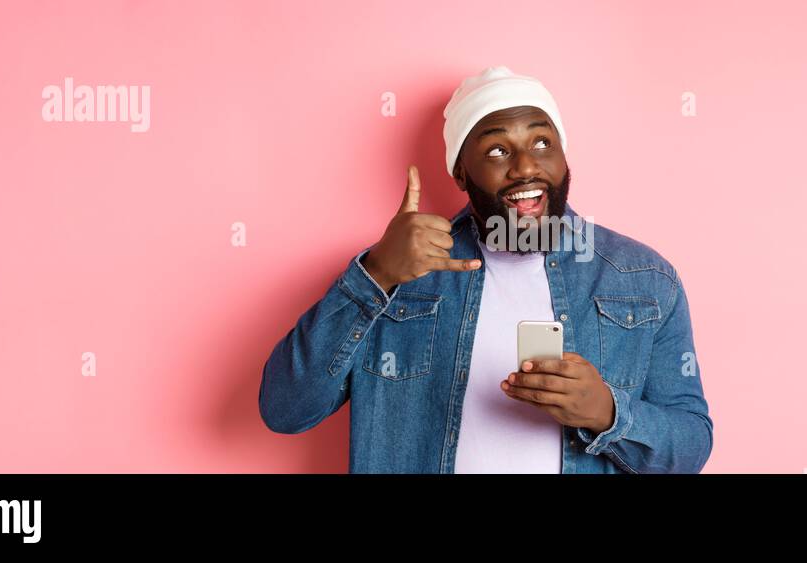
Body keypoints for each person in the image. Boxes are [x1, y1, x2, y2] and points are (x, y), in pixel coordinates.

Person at [259, 66, 712, 473]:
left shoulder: (643, 278)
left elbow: (690, 446)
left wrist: (608, 413)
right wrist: (374, 276)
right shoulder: (398, 272)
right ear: (460, 172)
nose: (526, 167)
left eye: (541, 142)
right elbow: (285, 410)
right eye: (497, 150)